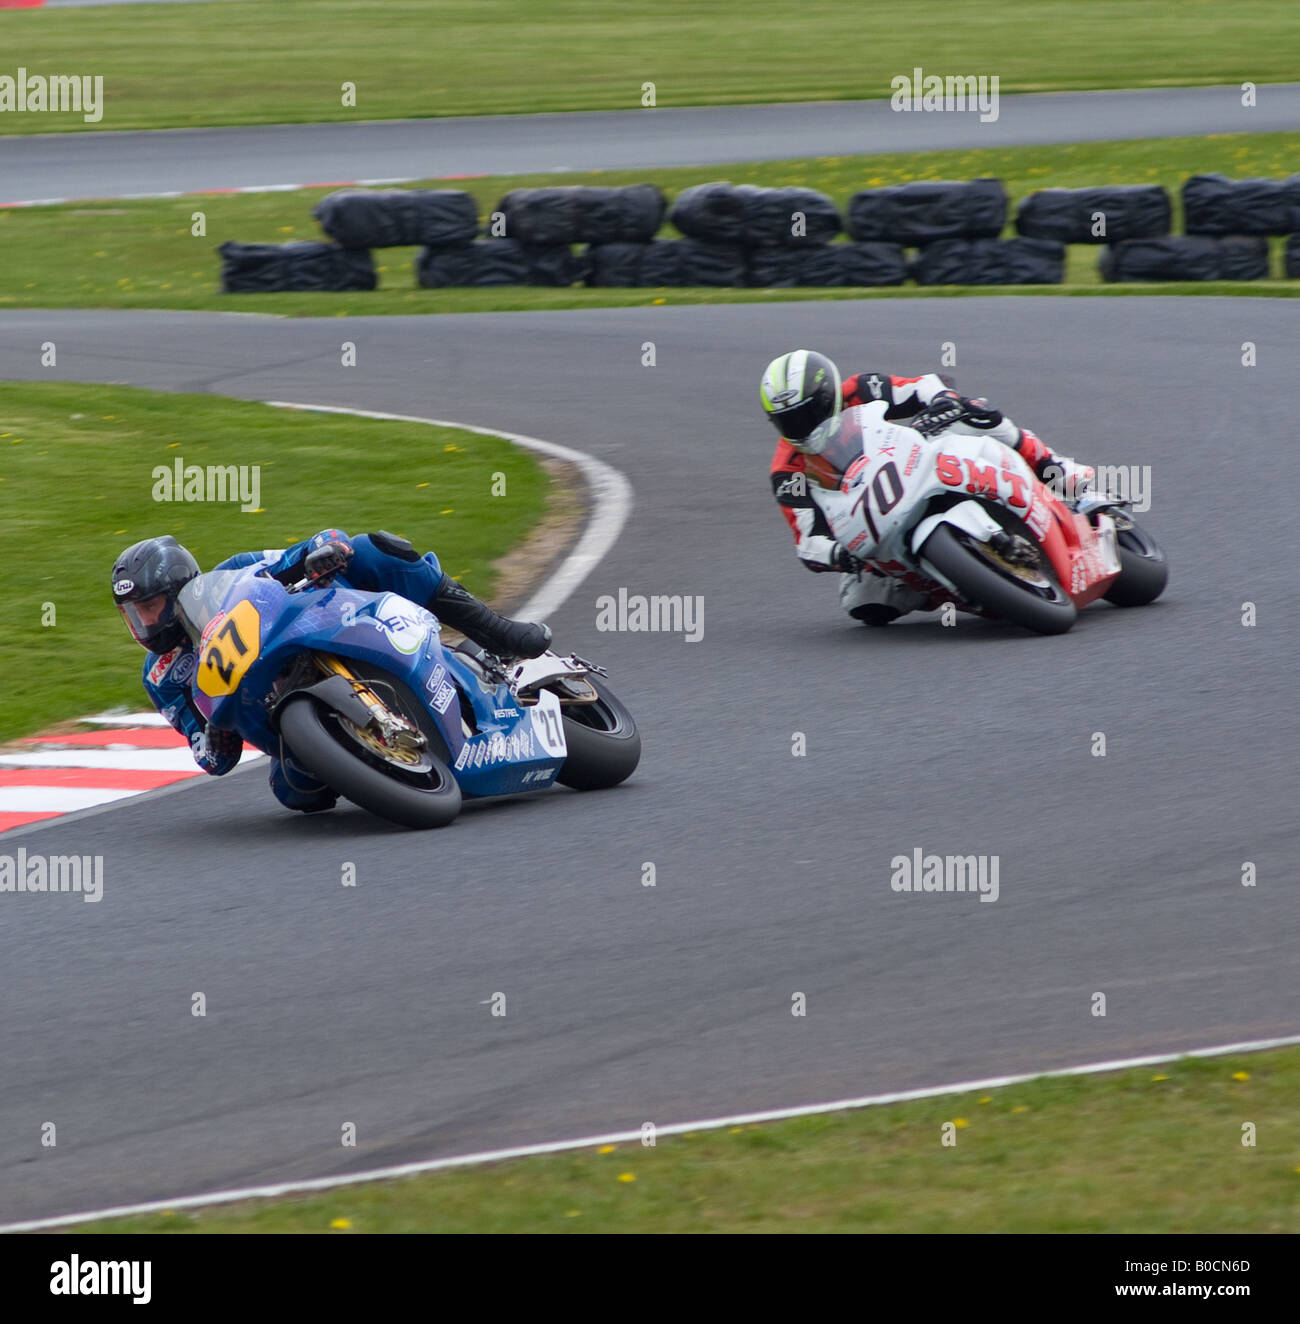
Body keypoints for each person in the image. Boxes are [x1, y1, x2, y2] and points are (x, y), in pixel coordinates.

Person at [111, 529, 551, 812]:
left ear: (178, 590)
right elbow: (208, 757)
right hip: (278, 719)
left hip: (316, 632)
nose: (145, 623)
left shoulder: (234, 573)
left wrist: (326, 552)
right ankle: (371, 761)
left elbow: (307, 547)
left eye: (150, 607)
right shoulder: (161, 677)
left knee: (373, 549)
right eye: (134, 614)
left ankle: (499, 633)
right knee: (296, 793)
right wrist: (215, 736)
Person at [761, 349, 1093, 625]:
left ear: (828, 396)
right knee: (863, 604)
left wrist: (943, 400)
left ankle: (1055, 467)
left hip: (915, 460)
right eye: (788, 421)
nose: (802, 428)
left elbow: (921, 386)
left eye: (808, 414)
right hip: (870, 514)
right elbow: (807, 540)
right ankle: (948, 583)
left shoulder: (860, 389)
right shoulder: (787, 469)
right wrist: (835, 554)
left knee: (974, 411)